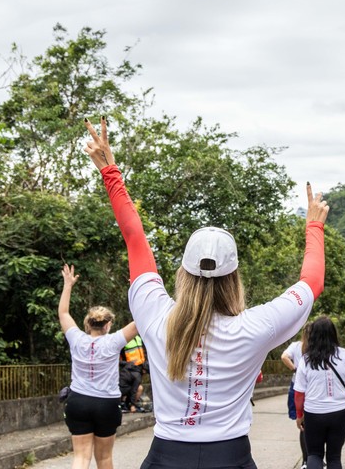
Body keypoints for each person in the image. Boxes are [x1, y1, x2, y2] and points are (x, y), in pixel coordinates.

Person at [84, 117, 329, 469]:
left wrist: (111, 173)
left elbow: (134, 237)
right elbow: (311, 281)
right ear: (235, 279)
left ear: (182, 274)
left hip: (165, 457)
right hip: (231, 457)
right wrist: (314, 225)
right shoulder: (256, 326)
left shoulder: (155, 315)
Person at [58, 263, 138, 469]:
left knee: (80, 458)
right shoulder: (113, 341)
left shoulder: (77, 339)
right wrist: (135, 290)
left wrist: (68, 285)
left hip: (78, 402)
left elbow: (64, 314)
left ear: (87, 323)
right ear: (108, 324)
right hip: (106, 404)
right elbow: (140, 321)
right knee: (104, 458)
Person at [293, 316, 345, 469]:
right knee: (334, 457)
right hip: (338, 414)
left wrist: (299, 415)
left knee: (314, 454)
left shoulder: (306, 359)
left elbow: (299, 394)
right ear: (333, 334)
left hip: (313, 413)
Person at [282, 323, 312, 469]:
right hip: (313, 388)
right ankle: (318, 458)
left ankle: (305, 461)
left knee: (303, 425)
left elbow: (284, 356)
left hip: (297, 387)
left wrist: (295, 368)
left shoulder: (295, 346)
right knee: (316, 426)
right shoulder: (317, 348)